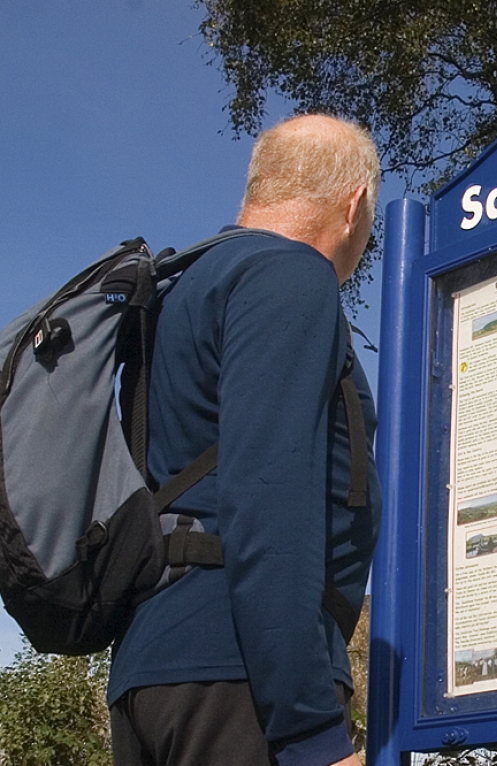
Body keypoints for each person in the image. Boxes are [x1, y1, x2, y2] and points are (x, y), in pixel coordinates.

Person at [107, 114, 382, 766]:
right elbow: (269, 495)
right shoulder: (289, 274)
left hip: (151, 672)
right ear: (354, 206)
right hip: (244, 682)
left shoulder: (181, 289)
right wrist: (311, 731)